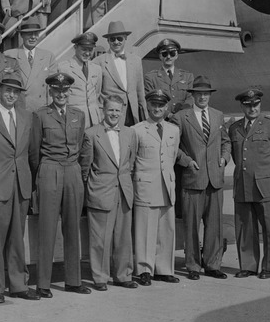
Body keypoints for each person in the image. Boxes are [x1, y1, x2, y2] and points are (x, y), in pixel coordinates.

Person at [28, 72, 90, 297]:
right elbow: (34, 151)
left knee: (72, 226)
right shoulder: (40, 115)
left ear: (69, 92)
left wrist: (78, 173)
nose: (61, 94)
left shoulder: (78, 115)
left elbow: (82, 144)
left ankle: (73, 280)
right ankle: (43, 283)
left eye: (64, 91)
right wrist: (41, 175)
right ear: (50, 92)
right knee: (47, 227)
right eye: (56, 90)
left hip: (72, 170)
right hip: (50, 169)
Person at [0, 72, 37, 302]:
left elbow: (33, 153)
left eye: (15, 92)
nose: (11, 95)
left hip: (21, 185)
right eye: (7, 91)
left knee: (17, 236)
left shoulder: (28, 117)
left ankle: (18, 285)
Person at [131, 89, 195, 286]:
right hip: (146, 186)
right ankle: (144, 269)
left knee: (166, 230)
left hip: (166, 186)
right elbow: (131, 160)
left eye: (161, 105)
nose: (157, 108)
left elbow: (173, 155)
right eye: (153, 104)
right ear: (148, 106)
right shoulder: (137, 130)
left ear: (166, 107)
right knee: (145, 231)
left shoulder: (173, 130)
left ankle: (164, 269)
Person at [170, 76, 231, 280]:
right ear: (193, 95)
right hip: (193, 179)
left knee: (214, 225)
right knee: (192, 226)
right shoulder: (181, 117)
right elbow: (173, 147)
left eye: (206, 93)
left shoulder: (218, 115)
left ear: (210, 95)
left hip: (215, 179)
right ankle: (193, 265)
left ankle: (213, 265)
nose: (203, 97)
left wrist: (224, 158)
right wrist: (187, 161)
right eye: (199, 93)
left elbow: (226, 141)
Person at [229, 87, 270, 280]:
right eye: (248, 106)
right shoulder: (235, 128)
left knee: (269, 228)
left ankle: (267, 267)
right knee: (245, 228)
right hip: (243, 186)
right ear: (242, 106)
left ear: (260, 104)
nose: (252, 109)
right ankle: (248, 266)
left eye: (255, 104)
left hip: (266, 187)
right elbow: (236, 156)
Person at [80, 94, 138, 290]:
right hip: (101, 191)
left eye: (117, 110)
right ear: (103, 111)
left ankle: (123, 275)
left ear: (122, 112)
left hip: (123, 190)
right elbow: (85, 167)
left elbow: (130, 162)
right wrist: (93, 190)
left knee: (124, 238)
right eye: (110, 109)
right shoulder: (91, 134)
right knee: (100, 239)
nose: (114, 113)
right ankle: (100, 277)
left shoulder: (130, 133)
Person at [95, 21, 146, 127]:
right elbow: (97, 94)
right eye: (112, 39)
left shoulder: (136, 60)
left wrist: (145, 116)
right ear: (108, 41)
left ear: (125, 38)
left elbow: (140, 92)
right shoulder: (98, 62)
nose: (116, 42)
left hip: (132, 114)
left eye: (120, 38)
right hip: (111, 115)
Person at [5, 20, 56, 113]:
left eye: (36, 34)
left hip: (42, 108)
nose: (33, 37)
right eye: (29, 34)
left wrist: (50, 108)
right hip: (19, 108)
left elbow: (51, 86)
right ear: (22, 35)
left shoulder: (48, 56)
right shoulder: (10, 54)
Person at [57, 31, 104, 127]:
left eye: (90, 50)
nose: (87, 53)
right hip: (73, 119)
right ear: (75, 47)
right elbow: (58, 96)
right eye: (84, 49)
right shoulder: (63, 68)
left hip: (94, 120)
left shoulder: (97, 69)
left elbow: (97, 93)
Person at [143, 37, 194, 117]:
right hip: (161, 119)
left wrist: (180, 115)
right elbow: (149, 100)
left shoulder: (187, 76)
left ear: (176, 55)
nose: (169, 57)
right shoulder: (151, 77)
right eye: (164, 54)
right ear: (160, 56)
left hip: (183, 118)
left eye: (172, 53)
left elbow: (190, 98)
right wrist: (168, 115)